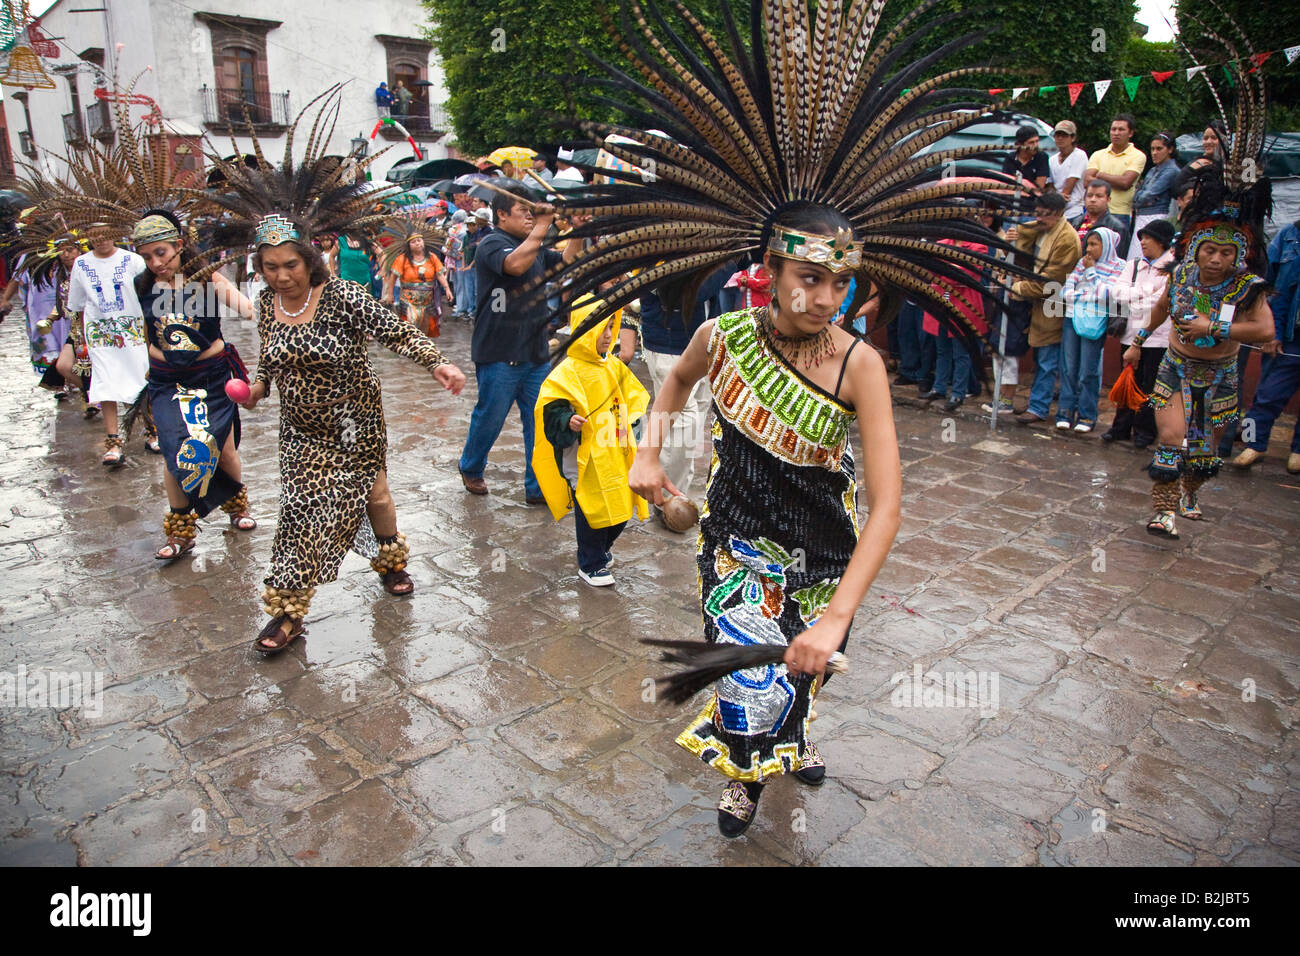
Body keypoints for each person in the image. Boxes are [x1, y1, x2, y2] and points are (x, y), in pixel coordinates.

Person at [545, 0, 1024, 838]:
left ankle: (784, 740)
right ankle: (743, 777)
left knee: (803, 672)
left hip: (826, 549)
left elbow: (890, 505)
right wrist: (649, 458)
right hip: (736, 536)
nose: (822, 298)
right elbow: (673, 389)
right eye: (805, 277)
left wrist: (839, 610)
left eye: (837, 283)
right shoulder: (719, 335)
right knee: (751, 677)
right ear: (767, 270)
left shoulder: (859, 364)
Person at [195, 92, 468, 654]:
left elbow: (393, 329)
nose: (280, 277)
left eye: (289, 265)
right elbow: (271, 354)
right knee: (300, 510)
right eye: (269, 269)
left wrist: (438, 362)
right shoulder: (271, 305)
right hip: (300, 428)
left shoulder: (341, 295)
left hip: (354, 420)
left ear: (309, 259)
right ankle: (288, 614)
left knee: (374, 497)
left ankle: (391, 561)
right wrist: (258, 390)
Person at [1122, 152, 1275, 537]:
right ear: (1196, 248)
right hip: (1175, 366)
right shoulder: (1182, 274)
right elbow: (1160, 308)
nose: (1216, 259)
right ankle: (1163, 513)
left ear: (1239, 254)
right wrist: (1139, 340)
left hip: (1220, 374)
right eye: (1210, 250)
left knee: (1204, 452)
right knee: (1172, 439)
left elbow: (1264, 330)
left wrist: (1217, 326)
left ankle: (1190, 495)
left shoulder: (1247, 288)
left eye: (1226, 253)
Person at [131, 211, 259, 560]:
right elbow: (147, 331)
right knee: (175, 454)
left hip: (212, 379)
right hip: (167, 382)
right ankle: (181, 532)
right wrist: (150, 368)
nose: (155, 262)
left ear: (179, 245)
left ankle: (237, 509)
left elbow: (249, 310)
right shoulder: (142, 286)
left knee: (224, 449)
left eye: (161, 252)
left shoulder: (206, 280)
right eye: (146, 256)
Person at [458, 182, 583, 501]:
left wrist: (578, 231)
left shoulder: (535, 244)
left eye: (534, 211)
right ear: (501, 214)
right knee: (490, 418)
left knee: (539, 423)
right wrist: (543, 224)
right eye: (524, 211)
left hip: (535, 352)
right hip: (499, 352)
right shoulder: (490, 243)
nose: (531, 216)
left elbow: (566, 261)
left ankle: (537, 486)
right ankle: (471, 467)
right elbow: (514, 265)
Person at [534, 295, 649, 586]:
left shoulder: (612, 365)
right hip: (583, 456)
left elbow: (632, 397)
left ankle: (601, 548)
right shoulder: (567, 372)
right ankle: (591, 561)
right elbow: (552, 410)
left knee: (622, 504)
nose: (609, 334)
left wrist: (632, 424)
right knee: (593, 508)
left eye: (612, 326)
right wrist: (567, 421)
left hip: (614, 450)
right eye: (602, 328)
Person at [637, 262, 733, 526]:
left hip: (702, 346)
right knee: (683, 422)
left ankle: (677, 493)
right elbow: (693, 290)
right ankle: (666, 499)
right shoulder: (657, 248)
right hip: (669, 345)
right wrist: (733, 259)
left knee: (694, 422)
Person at [66, 224, 153, 465]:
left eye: (106, 233)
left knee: (141, 380)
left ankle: (151, 430)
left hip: (134, 333)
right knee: (105, 383)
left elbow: (149, 295)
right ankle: (114, 441)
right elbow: (77, 305)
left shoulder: (133, 260)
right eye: (95, 235)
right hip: (101, 336)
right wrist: (80, 340)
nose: (101, 239)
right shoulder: (81, 264)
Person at [1232, 204, 1300, 475]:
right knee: (1266, 395)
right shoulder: (1288, 236)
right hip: (1288, 334)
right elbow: (1268, 287)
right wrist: (1273, 332)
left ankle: (1297, 450)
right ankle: (1253, 443)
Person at [1009, 191, 1082, 425]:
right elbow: (1020, 239)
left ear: (1059, 214)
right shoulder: (1040, 227)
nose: (1038, 218)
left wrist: (1019, 287)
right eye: (1037, 214)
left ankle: (1039, 407)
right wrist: (1012, 235)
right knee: (1040, 356)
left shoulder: (1067, 239)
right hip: (1033, 300)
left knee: (1047, 359)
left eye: (1044, 215)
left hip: (1053, 303)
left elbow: (1051, 281)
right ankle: (1035, 403)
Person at [1106, 219, 1174, 446]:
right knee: (1126, 380)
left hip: (1157, 338)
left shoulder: (1173, 267)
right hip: (1130, 334)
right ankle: (1120, 428)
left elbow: (1159, 304)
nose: (1143, 242)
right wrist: (1145, 292)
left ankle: (1145, 432)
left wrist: (1135, 296)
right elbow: (1118, 293)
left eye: (1148, 238)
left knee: (1150, 385)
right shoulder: (1134, 265)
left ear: (1162, 241)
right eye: (1142, 237)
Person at [0, 228, 82, 397]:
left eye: (70, 250)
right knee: (52, 348)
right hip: (43, 311)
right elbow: (17, 278)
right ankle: (63, 385)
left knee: (76, 352)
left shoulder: (81, 265)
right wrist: (5, 299)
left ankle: (84, 391)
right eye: (62, 251)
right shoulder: (32, 257)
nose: (66, 254)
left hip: (75, 319)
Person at [1057, 226, 1124, 432]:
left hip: (1095, 322)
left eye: (1095, 244)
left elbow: (1107, 295)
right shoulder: (1081, 262)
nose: (1089, 249)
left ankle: (1086, 416)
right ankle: (1065, 413)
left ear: (1107, 245)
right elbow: (1065, 292)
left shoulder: (1118, 266)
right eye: (1088, 244)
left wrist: (1091, 272)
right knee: (1069, 368)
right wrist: (1088, 296)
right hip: (1073, 318)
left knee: (1089, 370)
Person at [921, 237, 989, 412]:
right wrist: (951, 270)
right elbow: (931, 270)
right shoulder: (942, 243)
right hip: (941, 302)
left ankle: (958, 392)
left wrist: (944, 271)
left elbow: (966, 275)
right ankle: (939, 387)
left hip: (963, 305)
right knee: (942, 349)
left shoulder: (978, 246)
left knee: (961, 353)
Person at [382, 216, 452, 337]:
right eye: (414, 242)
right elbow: (393, 277)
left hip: (427, 298)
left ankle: (422, 349)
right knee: (411, 323)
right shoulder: (402, 259)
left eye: (419, 240)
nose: (417, 243)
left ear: (423, 242)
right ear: (409, 245)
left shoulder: (432, 258)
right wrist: (390, 294)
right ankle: (411, 345)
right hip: (409, 298)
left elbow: (440, 274)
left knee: (425, 328)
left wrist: (447, 288)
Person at [1084, 113, 1147, 232]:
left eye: (1121, 129)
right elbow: (1087, 181)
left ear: (1130, 133)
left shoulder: (1138, 156)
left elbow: (1125, 183)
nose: (1116, 133)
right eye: (1113, 129)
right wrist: (1114, 180)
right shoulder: (1098, 154)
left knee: (1117, 250)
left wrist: (1100, 175)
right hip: (1094, 213)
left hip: (1120, 214)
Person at [1127, 132, 1181, 258]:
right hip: (1142, 216)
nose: (1154, 153)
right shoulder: (1152, 170)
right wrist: (1140, 197)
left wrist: (1141, 198)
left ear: (1170, 149)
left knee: (1149, 255)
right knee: (1135, 257)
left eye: (1159, 149)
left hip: (1157, 215)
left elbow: (1147, 195)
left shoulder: (1172, 170)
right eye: (1152, 149)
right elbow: (1138, 195)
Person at [1173, 118, 1229, 197]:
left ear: (1224, 140)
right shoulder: (1201, 163)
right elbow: (1176, 188)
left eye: (1214, 138)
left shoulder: (1228, 164)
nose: (1208, 142)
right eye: (1205, 138)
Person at [1049, 120, 1088, 226]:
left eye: (1064, 135)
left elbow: (1068, 188)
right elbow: (1050, 187)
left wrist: (1056, 200)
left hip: (1074, 212)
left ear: (1073, 138)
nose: (1060, 138)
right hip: (1056, 212)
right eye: (1058, 135)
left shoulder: (1079, 155)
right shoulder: (1052, 159)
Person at [1001, 125, 1049, 192]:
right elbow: (1005, 182)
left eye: (1037, 141)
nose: (1035, 145)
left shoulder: (1042, 157)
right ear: (1020, 145)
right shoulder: (1010, 158)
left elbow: (1039, 187)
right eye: (1031, 142)